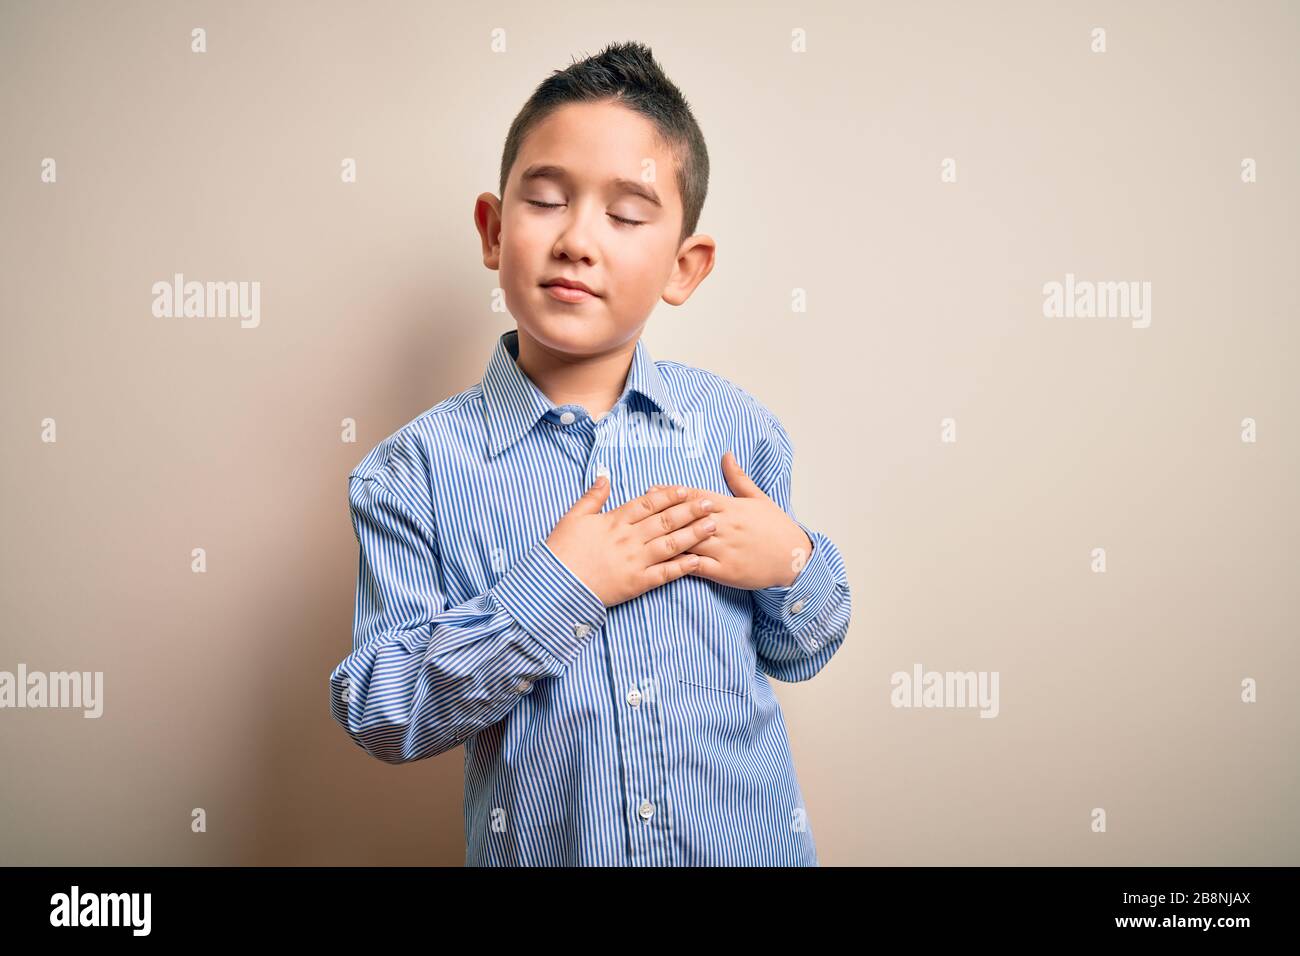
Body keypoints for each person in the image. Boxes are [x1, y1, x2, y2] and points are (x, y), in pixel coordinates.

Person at [328, 41, 852, 866]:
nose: (577, 239)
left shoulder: (736, 433)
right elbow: (380, 708)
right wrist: (558, 590)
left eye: (628, 214)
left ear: (685, 266)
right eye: (545, 201)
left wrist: (792, 561)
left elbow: (804, 648)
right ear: (494, 231)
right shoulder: (412, 472)